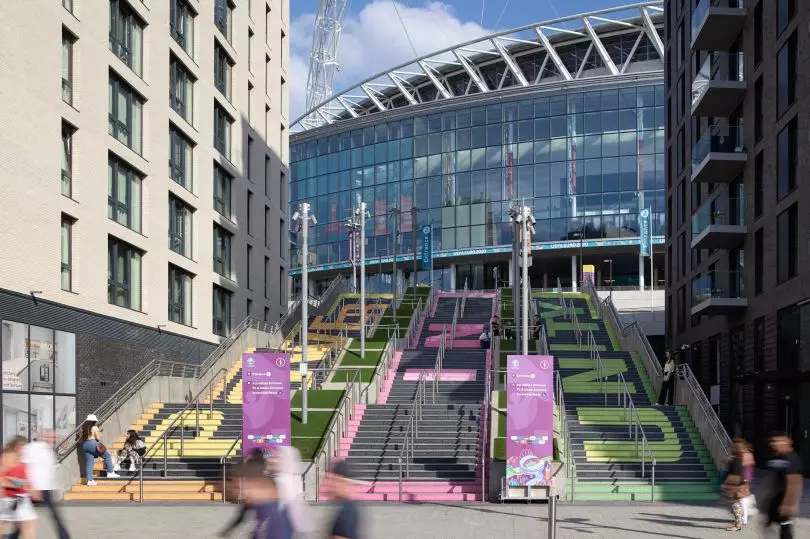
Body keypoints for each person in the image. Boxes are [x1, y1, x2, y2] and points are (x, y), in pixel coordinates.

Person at [8, 430, 71, 539]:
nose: (52, 440)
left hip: (47, 489)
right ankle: (12, 536)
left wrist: (54, 488)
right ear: (43, 437)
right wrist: (30, 487)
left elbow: (49, 472)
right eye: (50, 437)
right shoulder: (32, 448)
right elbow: (24, 467)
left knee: (55, 516)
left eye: (53, 438)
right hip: (33, 488)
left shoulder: (50, 450)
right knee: (23, 517)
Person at [761, 432, 803, 539]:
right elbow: (772, 477)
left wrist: (789, 503)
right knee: (769, 525)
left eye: (777, 441)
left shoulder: (792, 459)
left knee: (785, 528)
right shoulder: (776, 457)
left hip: (786, 498)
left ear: (787, 442)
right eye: (772, 442)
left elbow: (795, 482)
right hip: (775, 497)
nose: (773, 444)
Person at [218, 449, 267, 538]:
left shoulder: (251, 463)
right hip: (258, 496)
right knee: (260, 518)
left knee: (242, 516)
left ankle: (227, 531)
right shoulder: (263, 465)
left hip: (252, 495)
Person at [269, 446, 313, 536]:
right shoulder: (292, 478)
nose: (273, 460)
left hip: (282, 521)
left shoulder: (284, 479)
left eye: (277, 457)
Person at [0, 437, 37, 539]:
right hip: (9, 498)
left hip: (22, 497)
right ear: (15, 446)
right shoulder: (8, 457)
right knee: (3, 524)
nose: (24, 449)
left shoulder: (23, 459)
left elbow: (26, 476)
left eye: (25, 446)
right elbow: (1, 477)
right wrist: (15, 483)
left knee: (30, 522)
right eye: (21, 446)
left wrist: (31, 488)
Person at [327, 459, 362, 539]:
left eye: (333, 480)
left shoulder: (348, 511)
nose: (330, 484)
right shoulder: (347, 507)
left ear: (342, 481)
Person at [81, 414, 118, 485]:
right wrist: (100, 434)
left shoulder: (84, 428)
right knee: (107, 455)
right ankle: (110, 472)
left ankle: (89, 480)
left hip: (85, 445)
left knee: (89, 462)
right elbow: (98, 437)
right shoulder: (94, 427)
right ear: (94, 421)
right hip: (92, 444)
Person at [722, 439, 751, 531]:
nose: (731, 448)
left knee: (735, 505)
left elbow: (735, 474)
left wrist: (729, 485)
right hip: (739, 485)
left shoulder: (736, 460)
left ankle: (738, 525)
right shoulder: (738, 459)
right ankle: (737, 523)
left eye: (733, 446)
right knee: (735, 505)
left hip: (736, 486)